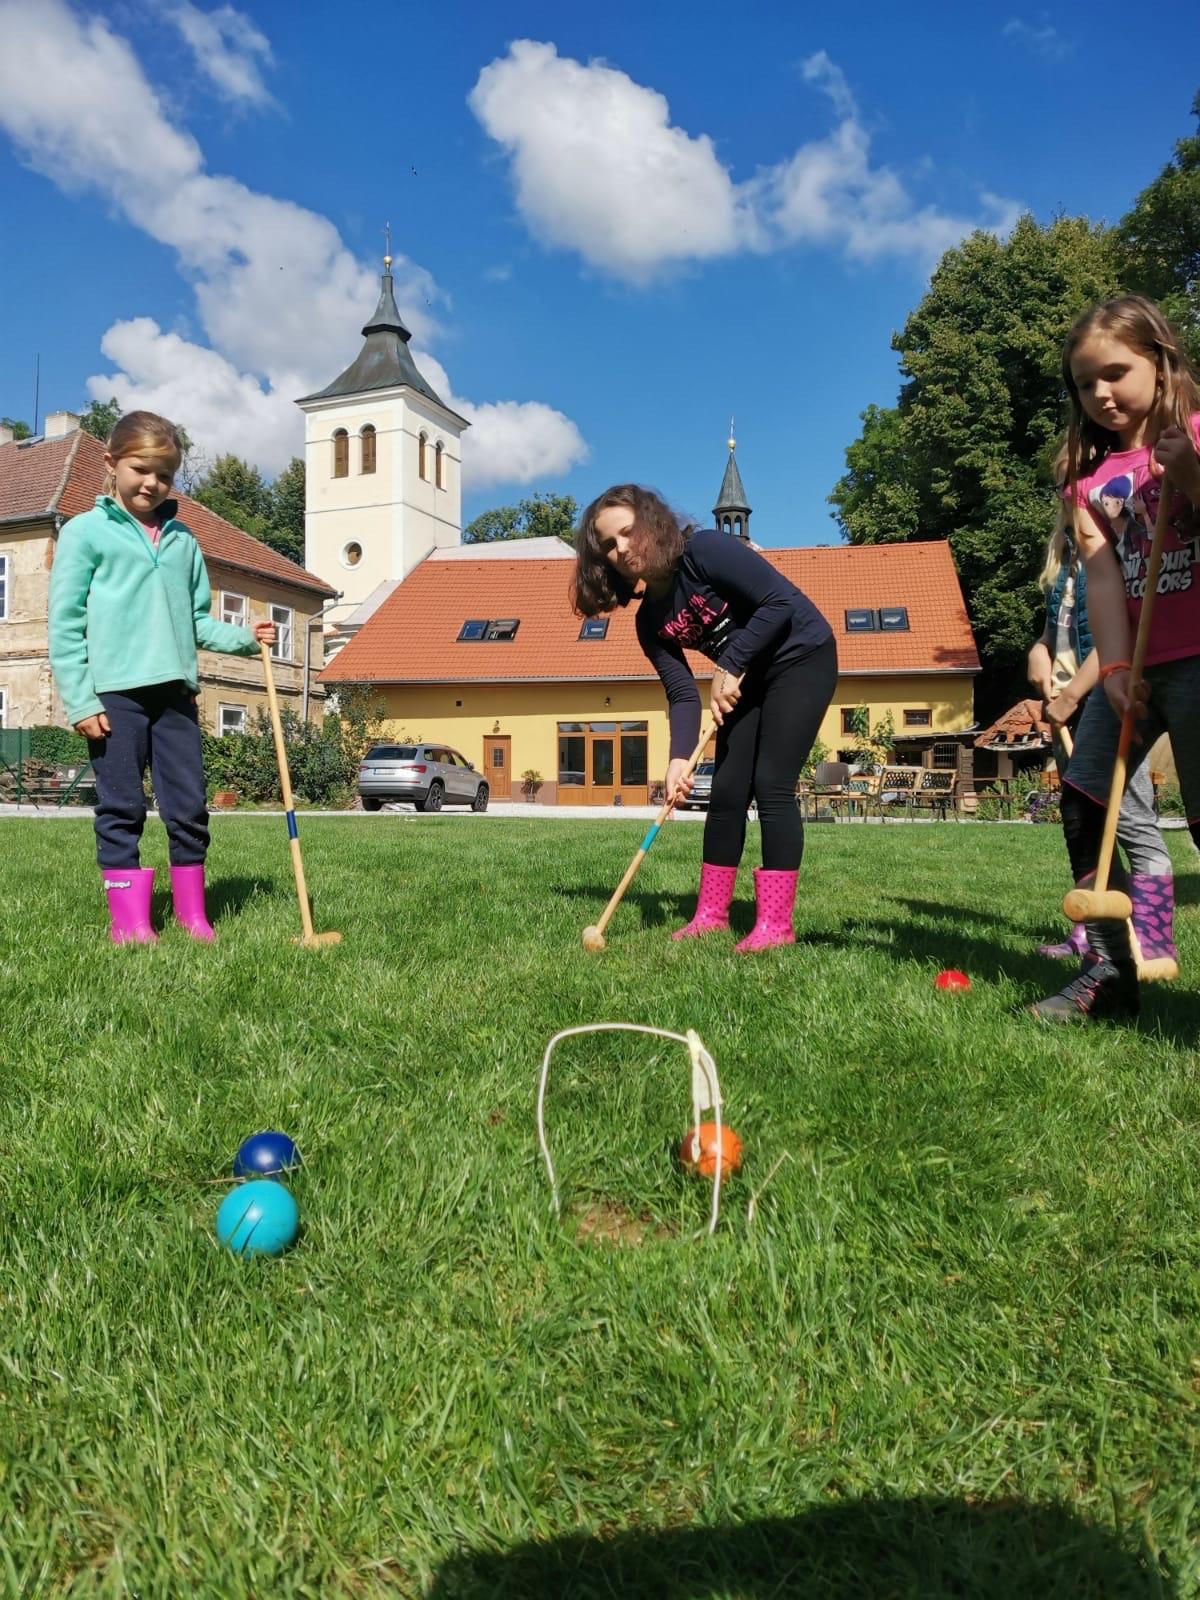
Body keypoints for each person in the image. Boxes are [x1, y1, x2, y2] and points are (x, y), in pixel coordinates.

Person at [1031, 295, 1200, 1022]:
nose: (1100, 394)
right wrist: (1119, 668)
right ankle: (1107, 970)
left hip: (1198, 659)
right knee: (1085, 793)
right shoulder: (1090, 483)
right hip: (1138, 666)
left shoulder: (1196, 435)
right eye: (1084, 383)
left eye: (1116, 373)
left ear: (1160, 361)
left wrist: (1190, 473)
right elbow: (1103, 578)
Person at [574, 484, 836, 952]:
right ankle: (711, 915)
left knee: (771, 782)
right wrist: (678, 760)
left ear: (652, 522)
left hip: (801, 655)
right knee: (729, 789)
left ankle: (776, 926)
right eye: (611, 546)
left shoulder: (706, 550)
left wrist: (730, 661)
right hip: (744, 678)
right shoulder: (648, 621)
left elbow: (779, 602)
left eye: (629, 532)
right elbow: (680, 692)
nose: (623, 549)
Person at [48, 411, 275, 944]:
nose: (152, 482)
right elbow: (65, 625)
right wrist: (81, 700)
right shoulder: (85, 534)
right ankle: (130, 923)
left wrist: (247, 637)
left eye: (165, 474)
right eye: (140, 468)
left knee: (189, 807)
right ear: (112, 463)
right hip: (115, 695)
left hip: (175, 696)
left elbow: (195, 620)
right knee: (121, 805)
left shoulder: (183, 543)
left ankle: (194, 915)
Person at [1027, 496, 1178, 981]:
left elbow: (1123, 633)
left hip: (1102, 695)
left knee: (1130, 820)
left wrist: (1075, 692)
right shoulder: (1069, 559)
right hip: (1064, 705)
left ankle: (1154, 942)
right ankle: (1093, 935)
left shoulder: (1119, 553)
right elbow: (1060, 629)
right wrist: (1041, 650)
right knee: (1085, 819)